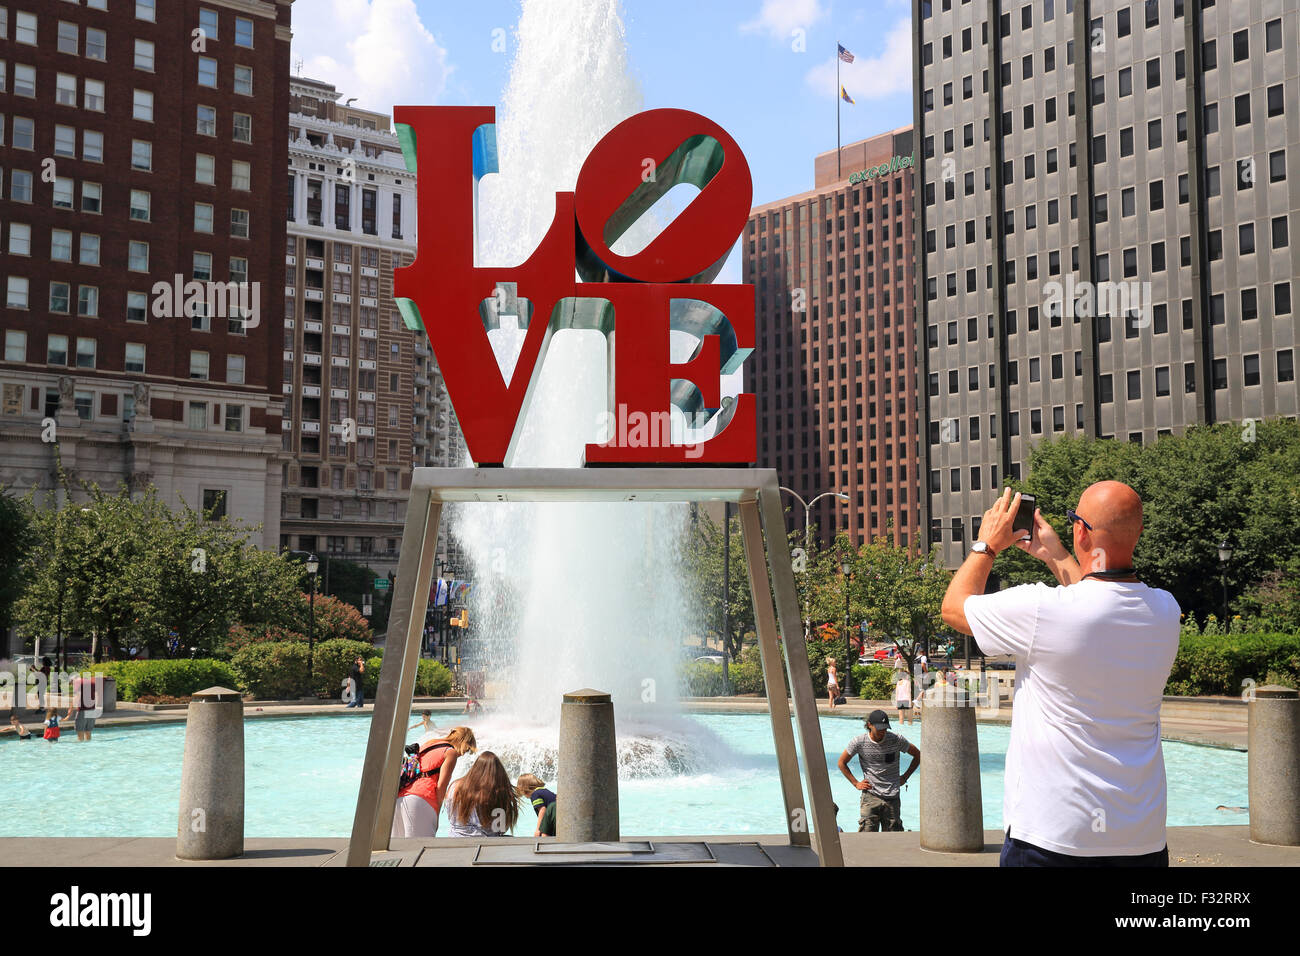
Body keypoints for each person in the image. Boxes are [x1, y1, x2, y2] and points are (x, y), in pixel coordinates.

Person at [941, 483, 1180, 867]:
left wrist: (986, 545)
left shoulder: (1040, 609)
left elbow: (954, 608)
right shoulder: (1166, 612)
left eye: (1074, 521)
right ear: (1137, 533)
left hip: (1051, 839)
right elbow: (1095, 601)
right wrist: (1057, 555)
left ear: (1081, 530)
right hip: (1142, 841)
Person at [837, 710, 920, 832]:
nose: (883, 732)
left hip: (892, 797)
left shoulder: (896, 739)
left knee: (894, 839)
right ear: (869, 725)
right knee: (867, 837)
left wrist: (905, 777)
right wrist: (856, 783)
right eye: (880, 728)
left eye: (885, 728)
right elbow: (841, 763)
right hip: (870, 796)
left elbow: (918, 755)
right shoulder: (859, 742)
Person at [391, 726, 477, 839]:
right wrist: (436, 815)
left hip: (399, 799)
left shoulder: (430, 743)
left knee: (400, 849)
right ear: (463, 743)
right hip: (421, 801)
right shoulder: (450, 753)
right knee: (420, 848)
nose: (463, 754)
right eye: (466, 750)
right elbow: (441, 787)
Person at [445, 752, 520, 838]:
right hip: (484, 843)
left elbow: (451, 817)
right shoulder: (495, 792)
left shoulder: (454, 786)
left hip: (455, 838)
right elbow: (501, 829)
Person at [517, 773, 557, 837]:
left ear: (523, 788)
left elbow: (542, 810)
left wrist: (538, 829)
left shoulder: (535, 795)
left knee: (543, 835)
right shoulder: (543, 790)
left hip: (553, 816)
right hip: (557, 817)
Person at [64, 672, 97, 742]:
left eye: (71, 684)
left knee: (80, 731)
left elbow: (77, 696)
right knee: (88, 731)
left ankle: (80, 748)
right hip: (92, 710)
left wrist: (70, 709)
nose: (72, 685)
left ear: (72, 680)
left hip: (83, 710)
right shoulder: (91, 682)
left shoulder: (77, 682)